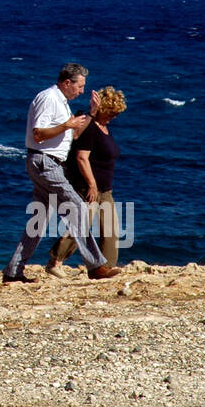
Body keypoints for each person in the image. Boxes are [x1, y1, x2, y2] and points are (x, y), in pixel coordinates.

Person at [2, 63, 122, 283]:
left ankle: (13, 272)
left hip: (49, 163)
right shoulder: (49, 98)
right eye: (80, 86)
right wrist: (66, 124)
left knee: (38, 221)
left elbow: (74, 134)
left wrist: (91, 113)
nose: (82, 90)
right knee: (78, 207)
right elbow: (39, 134)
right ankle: (95, 266)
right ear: (67, 82)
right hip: (45, 162)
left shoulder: (62, 102)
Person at [46, 87, 127, 276]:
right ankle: (55, 262)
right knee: (80, 228)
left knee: (111, 230)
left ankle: (103, 267)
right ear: (103, 109)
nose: (114, 117)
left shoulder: (104, 128)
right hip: (89, 188)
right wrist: (91, 184)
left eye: (116, 113)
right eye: (112, 113)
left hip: (105, 189)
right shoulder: (89, 128)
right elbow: (82, 157)